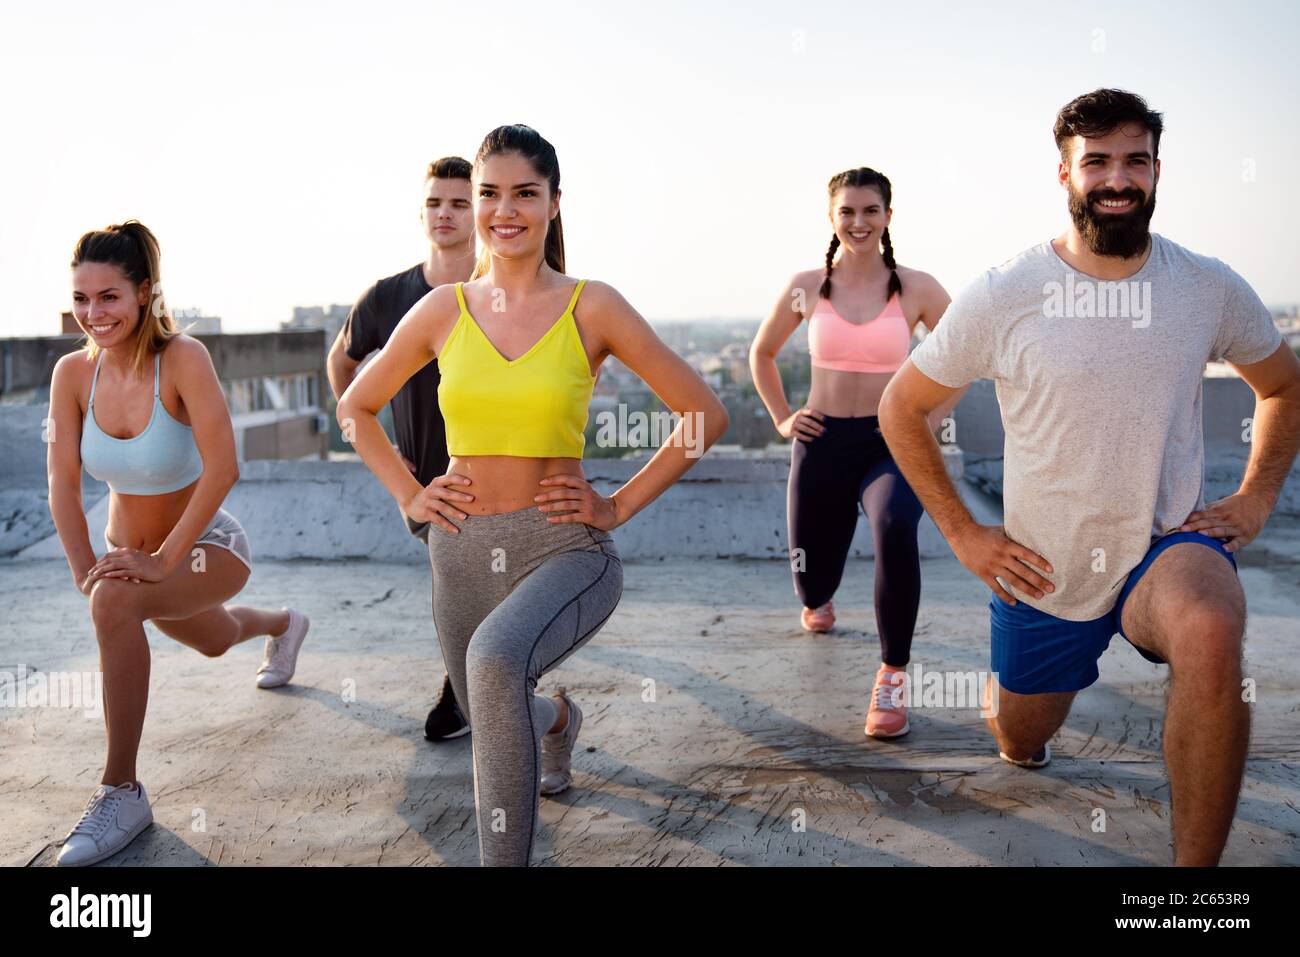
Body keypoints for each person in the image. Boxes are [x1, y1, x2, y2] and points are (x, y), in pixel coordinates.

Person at [878, 89, 1300, 865]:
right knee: (1020, 737)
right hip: (1046, 565)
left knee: (1212, 626)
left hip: (1166, 544)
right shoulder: (1006, 292)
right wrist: (966, 532)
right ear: (1066, 175)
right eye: (1096, 161)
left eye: (1134, 160)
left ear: (1156, 172)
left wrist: (1257, 494)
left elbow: (1283, 383)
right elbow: (901, 408)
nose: (1117, 177)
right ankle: (1014, 706)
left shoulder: (1205, 286)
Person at [337, 124, 729, 866]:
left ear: (554, 203)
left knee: (491, 666)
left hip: (563, 550)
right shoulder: (442, 310)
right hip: (458, 553)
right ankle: (556, 721)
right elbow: (355, 408)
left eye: (524, 192)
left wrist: (616, 505)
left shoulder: (593, 305)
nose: (503, 209)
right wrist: (410, 494)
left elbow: (704, 413)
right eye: (490, 193)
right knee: (494, 702)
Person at [46, 221, 309, 867]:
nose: (93, 313)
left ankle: (121, 790)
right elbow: (61, 480)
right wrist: (87, 570)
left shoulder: (183, 358)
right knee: (214, 638)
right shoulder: (71, 374)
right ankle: (285, 622)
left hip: (204, 547)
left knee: (116, 604)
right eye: (82, 298)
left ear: (142, 293)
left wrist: (161, 561)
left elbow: (223, 467)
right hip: (128, 559)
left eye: (108, 296)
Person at [750, 167, 959, 739]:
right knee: (812, 582)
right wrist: (782, 416)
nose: (859, 222)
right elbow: (762, 354)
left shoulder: (917, 287)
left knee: (895, 526)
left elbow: (966, 355)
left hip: (892, 441)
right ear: (831, 217)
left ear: (889, 216)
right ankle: (819, 599)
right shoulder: (807, 284)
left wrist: (930, 419)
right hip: (822, 441)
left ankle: (892, 674)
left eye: (871, 210)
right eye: (848, 211)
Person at [329, 156, 475, 741]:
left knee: (467, 586)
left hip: (495, 475)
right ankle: (497, 687)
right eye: (436, 202)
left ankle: (466, 692)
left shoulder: (500, 292)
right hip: (417, 484)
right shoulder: (387, 298)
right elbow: (342, 365)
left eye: (460, 202)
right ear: (421, 213)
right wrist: (375, 439)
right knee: (463, 584)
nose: (445, 213)